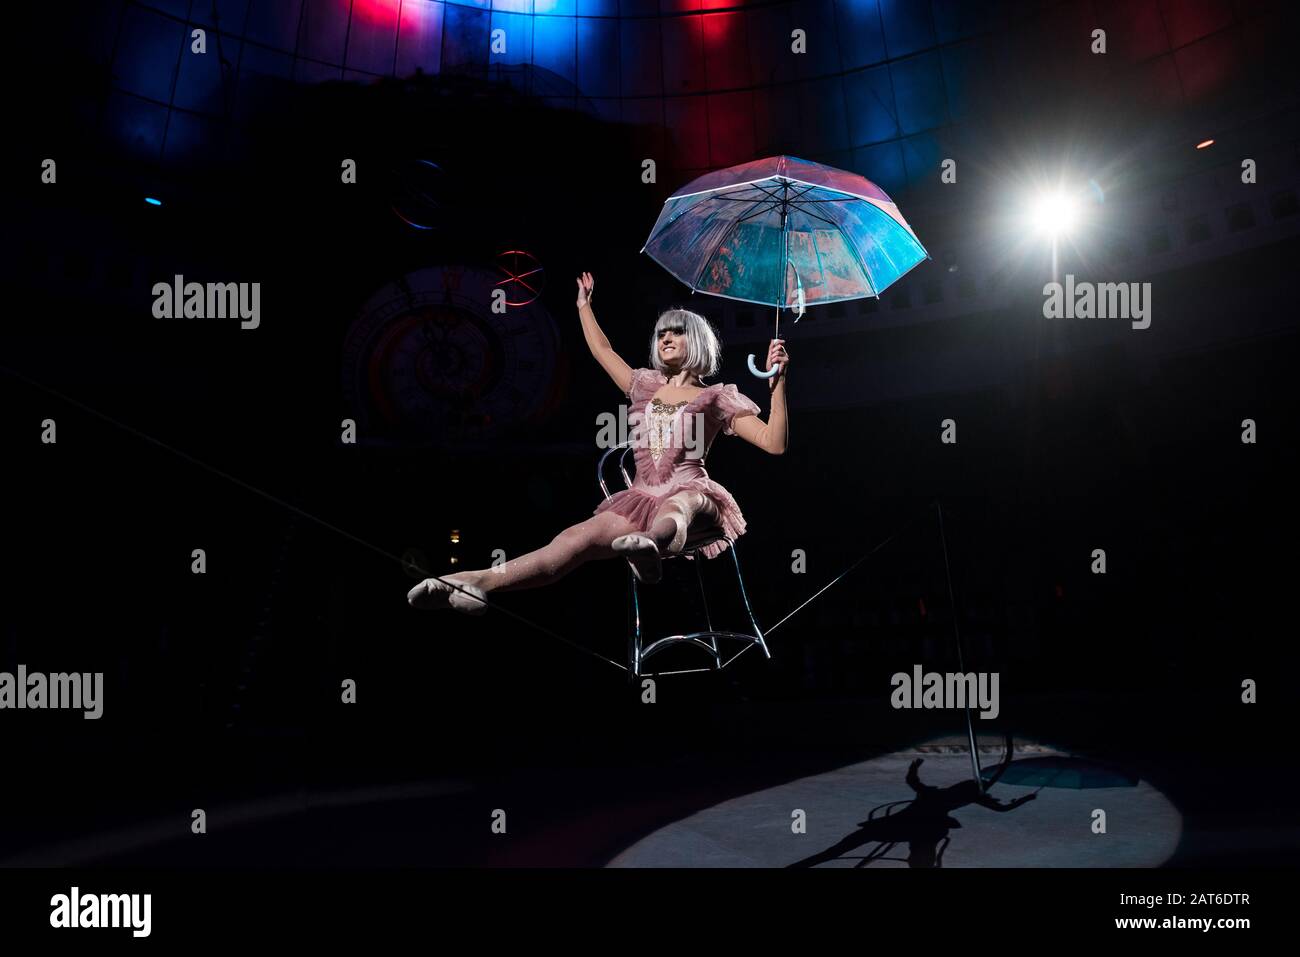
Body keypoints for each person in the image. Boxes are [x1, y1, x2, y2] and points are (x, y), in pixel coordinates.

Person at [406, 271, 789, 615]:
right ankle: (474, 581)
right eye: (661, 333)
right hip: (640, 498)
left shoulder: (718, 397)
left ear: (700, 342)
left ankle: (647, 547)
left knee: (682, 502)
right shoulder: (643, 386)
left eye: (677, 331)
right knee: (574, 539)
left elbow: (774, 443)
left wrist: (778, 383)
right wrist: (584, 307)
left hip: (693, 503)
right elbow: (603, 351)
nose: (667, 337)